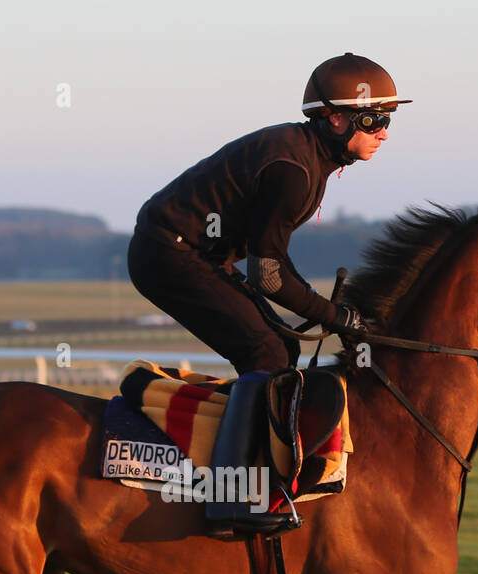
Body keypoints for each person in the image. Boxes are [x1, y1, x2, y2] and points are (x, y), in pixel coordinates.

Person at [127, 52, 410, 537]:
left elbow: (268, 262)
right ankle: (230, 498)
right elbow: (269, 275)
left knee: (283, 348)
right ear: (336, 118)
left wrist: (331, 313)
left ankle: (260, 472)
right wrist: (338, 317)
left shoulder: (309, 156)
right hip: (168, 255)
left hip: (193, 253)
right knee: (264, 349)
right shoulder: (294, 170)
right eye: (375, 119)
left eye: (388, 119)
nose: (385, 131)